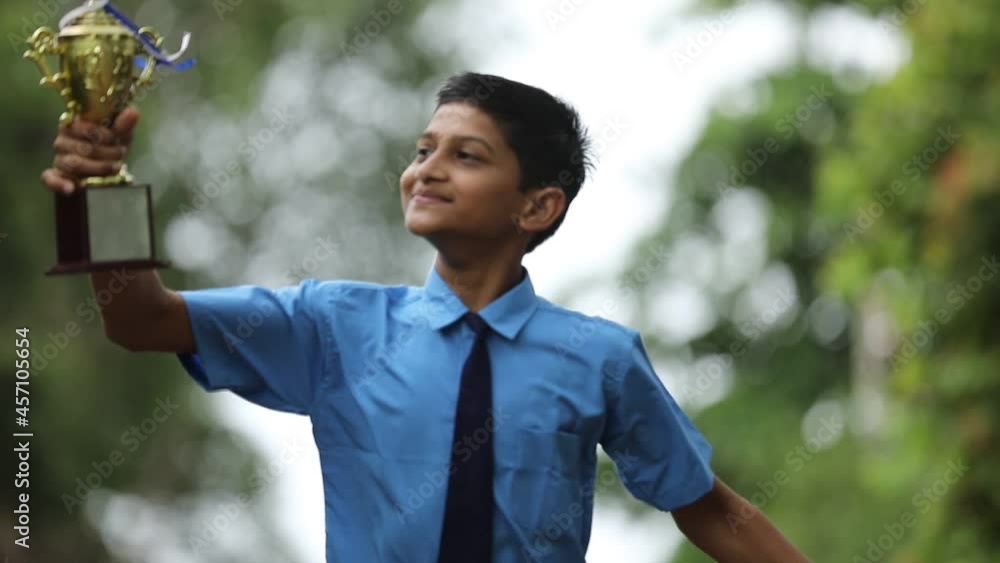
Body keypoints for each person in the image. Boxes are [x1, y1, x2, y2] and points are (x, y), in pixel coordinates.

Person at [41, 71, 810, 562]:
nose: (427, 168)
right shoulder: (333, 325)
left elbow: (709, 508)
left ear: (537, 205)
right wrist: (103, 196)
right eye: (423, 148)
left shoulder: (599, 358)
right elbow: (140, 320)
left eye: (467, 155)